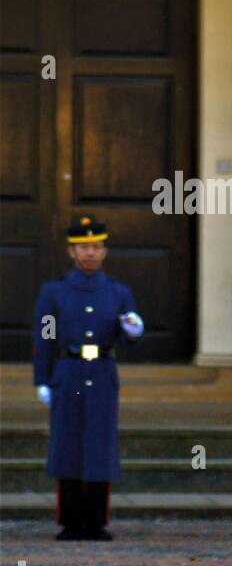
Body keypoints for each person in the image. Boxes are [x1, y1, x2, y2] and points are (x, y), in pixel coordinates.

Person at [33, 215, 145, 541]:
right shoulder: (54, 292)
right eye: (83, 248)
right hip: (68, 372)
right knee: (67, 445)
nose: (90, 254)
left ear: (105, 251)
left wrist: (135, 332)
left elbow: (128, 332)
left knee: (99, 445)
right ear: (71, 252)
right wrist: (42, 379)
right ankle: (70, 521)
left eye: (96, 247)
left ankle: (96, 521)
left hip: (102, 372)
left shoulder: (118, 292)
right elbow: (44, 337)